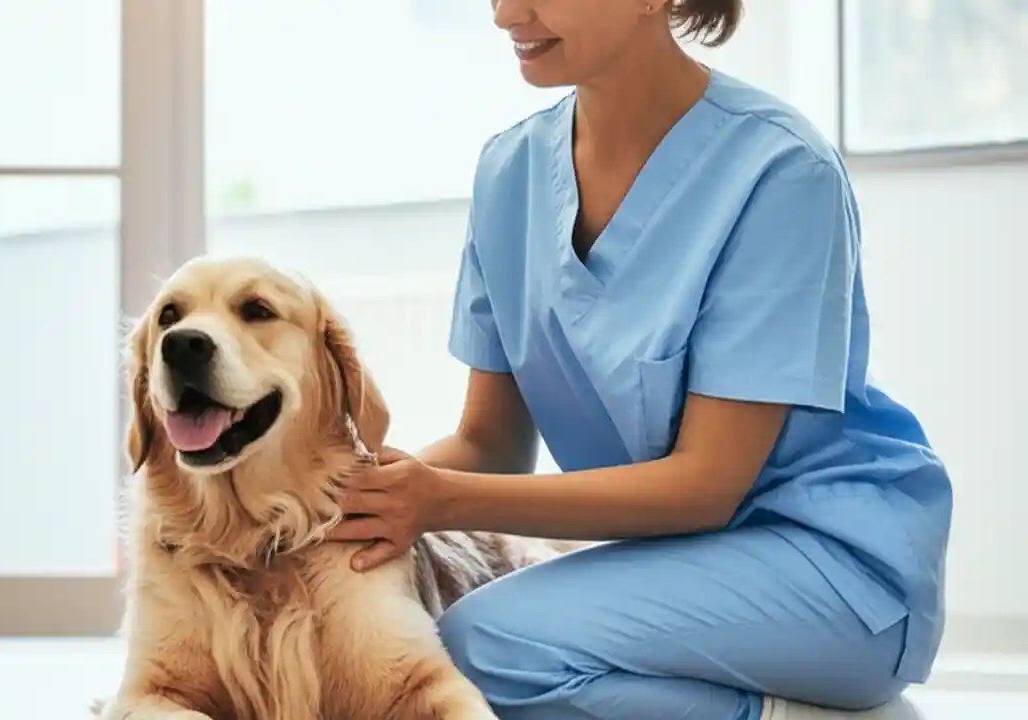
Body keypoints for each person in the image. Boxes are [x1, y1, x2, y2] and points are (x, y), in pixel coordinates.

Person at [329, 1, 951, 719]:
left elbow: (705, 487)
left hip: (838, 571)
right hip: (677, 565)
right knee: (455, 639)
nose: (505, 14)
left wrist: (438, 499)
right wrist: (344, 497)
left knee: (487, 646)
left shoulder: (782, 171)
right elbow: (490, 445)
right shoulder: (510, 173)